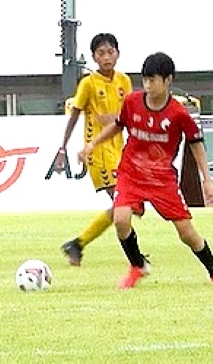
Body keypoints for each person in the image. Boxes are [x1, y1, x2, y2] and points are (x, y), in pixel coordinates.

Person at [78, 52, 213, 288]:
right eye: (145, 80)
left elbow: (196, 145)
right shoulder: (132, 102)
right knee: (121, 219)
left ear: (168, 80)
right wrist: (93, 143)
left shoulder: (178, 113)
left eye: (153, 80)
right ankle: (137, 266)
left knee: (186, 232)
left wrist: (207, 181)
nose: (148, 85)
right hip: (131, 172)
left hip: (161, 179)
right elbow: (118, 126)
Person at [57, 33, 136, 267]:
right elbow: (75, 115)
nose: (106, 57)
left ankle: (78, 244)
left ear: (118, 54)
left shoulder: (124, 81)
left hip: (119, 150)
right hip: (98, 152)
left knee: (123, 205)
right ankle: (136, 258)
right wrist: (63, 148)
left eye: (110, 52)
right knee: (123, 204)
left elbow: (130, 115)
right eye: (101, 53)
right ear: (93, 57)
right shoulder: (88, 83)